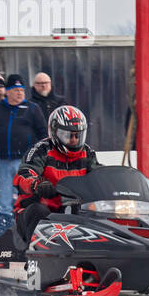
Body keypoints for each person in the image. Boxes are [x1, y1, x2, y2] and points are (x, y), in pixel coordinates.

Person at [12, 105, 98, 245]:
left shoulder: (87, 153)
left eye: (78, 135)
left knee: (95, 212)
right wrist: (36, 184)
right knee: (38, 210)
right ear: (55, 132)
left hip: (70, 209)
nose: (74, 140)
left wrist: (115, 184)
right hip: (39, 210)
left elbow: (97, 174)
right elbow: (24, 173)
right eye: (68, 135)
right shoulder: (41, 150)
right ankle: (34, 253)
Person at [0, 74, 47, 233]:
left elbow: (43, 133)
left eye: (22, 90)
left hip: (25, 160)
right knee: (3, 196)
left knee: (26, 194)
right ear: (7, 92)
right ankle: (4, 228)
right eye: (16, 90)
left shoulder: (32, 109)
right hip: (2, 160)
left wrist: (40, 155)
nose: (19, 93)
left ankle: (28, 226)